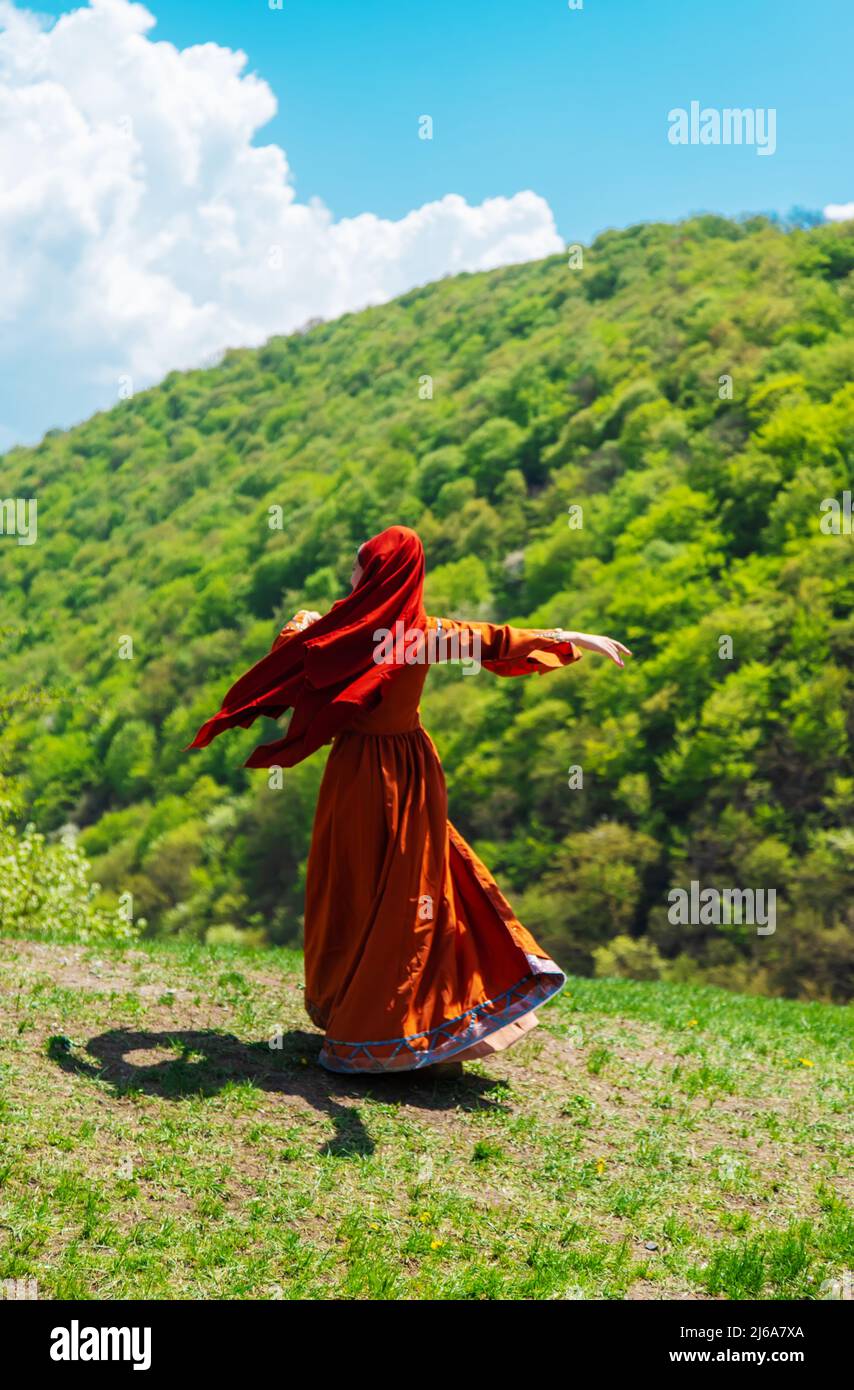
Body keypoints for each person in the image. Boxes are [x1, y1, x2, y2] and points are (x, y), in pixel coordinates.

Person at [189, 525, 630, 1077]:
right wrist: (571, 638)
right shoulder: (422, 635)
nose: (352, 576)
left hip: (356, 774)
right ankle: (410, 1023)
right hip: (410, 772)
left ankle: (377, 1021)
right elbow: (494, 641)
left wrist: (301, 625)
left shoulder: (332, 633)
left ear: (375, 575)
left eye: (359, 567)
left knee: (359, 887)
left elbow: (296, 659)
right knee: (416, 891)